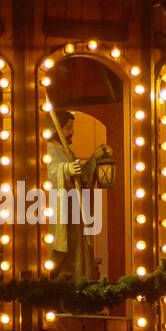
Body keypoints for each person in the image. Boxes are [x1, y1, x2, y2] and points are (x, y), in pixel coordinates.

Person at [44, 109, 113, 281]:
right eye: (68, 128)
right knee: (64, 253)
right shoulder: (48, 149)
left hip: (73, 212)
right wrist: (65, 169)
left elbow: (80, 179)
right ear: (56, 128)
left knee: (77, 250)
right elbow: (47, 176)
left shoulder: (66, 151)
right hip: (60, 213)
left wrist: (94, 159)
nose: (72, 132)